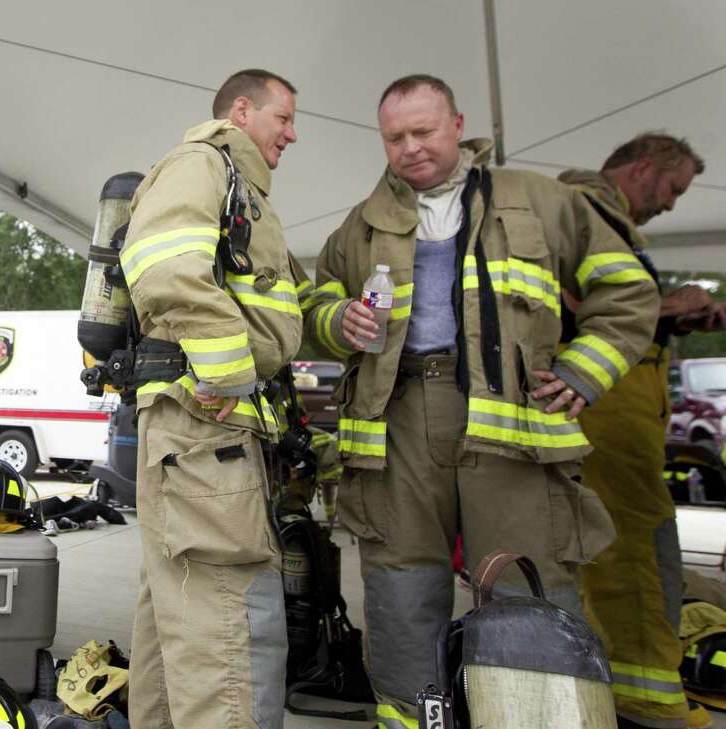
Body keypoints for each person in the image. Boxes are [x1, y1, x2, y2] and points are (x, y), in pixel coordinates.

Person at [304, 74, 660, 728]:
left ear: (458, 123)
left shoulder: (539, 200)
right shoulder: (363, 223)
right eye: (394, 137)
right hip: (401, 419)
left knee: (526, 586)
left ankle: (535, 718)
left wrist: (584, 369)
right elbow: (313, 302)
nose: (410, 148)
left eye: (424, 131)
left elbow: (628, 290)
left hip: (513, 426)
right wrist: (337, 321)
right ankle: (412, 718)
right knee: (402, 585)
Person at [123, 68, 303, 729]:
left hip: (199, 431)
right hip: (207, 426)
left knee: (183, 614)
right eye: (283, 117)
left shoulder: (244, 192)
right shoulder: (205, 162)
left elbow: (284, 309)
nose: (293, 132)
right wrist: (227, 371)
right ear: (242, 110)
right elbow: (163, 261)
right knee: (229, 620)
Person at [560, 133, 724, 729]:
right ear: (647, 168)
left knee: (628, 553)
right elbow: (578, 306)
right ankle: (648, 698)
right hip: (608, 414)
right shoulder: (583, 209)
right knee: (635, 555)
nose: (674, 205)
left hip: (622, 415)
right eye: (674, 188)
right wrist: (671, 305)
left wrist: (673, 320)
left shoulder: (607, 221)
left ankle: (633, 687)